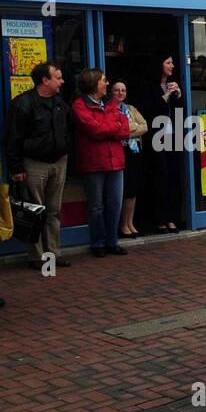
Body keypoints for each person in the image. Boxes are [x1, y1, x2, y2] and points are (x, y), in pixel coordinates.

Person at [5, 61, 71, 270]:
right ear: (45, 80)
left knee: (54, 211)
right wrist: (16, 169)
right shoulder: (23, 104)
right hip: (34, 164)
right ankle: (37, 256)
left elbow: (67, 129)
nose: (62, 81)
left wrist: (67, 149)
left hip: (59, 162)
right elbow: (13, 139)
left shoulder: (60, 103)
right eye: (58, 77)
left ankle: (53, 253)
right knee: (36, 212)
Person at [71, 69, 130, 258]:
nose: (107, 83)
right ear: (94, 83)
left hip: (116, 162)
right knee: (96, 207)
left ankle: (112, 242)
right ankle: (97, 243)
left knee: (115, 204)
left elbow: (125, 129)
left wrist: (111, 128)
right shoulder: (80, 106)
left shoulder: (110, 104)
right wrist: (114, 127)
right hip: (94, 164)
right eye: (104, 80)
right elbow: (93, 130)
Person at [145, 55, 186, 233]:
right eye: (168, 62)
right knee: (159, 177)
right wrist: (166, 95)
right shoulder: (150, 87)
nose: (172, 66)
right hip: (156, 137)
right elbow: (151, 111)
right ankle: (159, 218)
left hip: (173, 136)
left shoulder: (171, 84)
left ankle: (172, 218)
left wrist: (179, 95)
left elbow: (180, 111)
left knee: (173, 175)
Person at [109, 81, 147, 240]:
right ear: (111, 92)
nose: (120, 93)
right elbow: (115, 131)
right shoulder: (109, 109)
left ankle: (130, 223)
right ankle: (122, 225)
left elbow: (144, 126)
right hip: (120, 152)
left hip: (134, 151)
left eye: (123, 90)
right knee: (123, 191)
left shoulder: (130, 108)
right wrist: (132, 127)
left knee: (133, 190)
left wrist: (126, 129)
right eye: (117, 90)